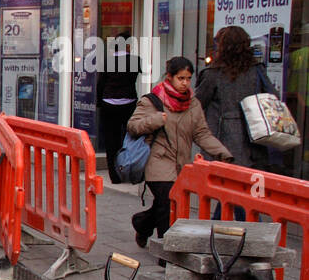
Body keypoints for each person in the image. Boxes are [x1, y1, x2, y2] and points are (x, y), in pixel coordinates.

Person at [127, 56, 232, 248]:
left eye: (188, 78)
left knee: (165, 204)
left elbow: (201, 133)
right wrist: (155, 121)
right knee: (167, 204)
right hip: (157, 160)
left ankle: (142, 223)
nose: (185, 83)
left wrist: (222, 152)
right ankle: (166, 252)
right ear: (170, 77)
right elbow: (133, 126)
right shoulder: (153, 100)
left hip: (179, 163)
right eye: (180, 78)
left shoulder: (193, 104)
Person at [196, 26, 271, 173]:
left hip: (220, 139)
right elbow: (272, 95)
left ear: (223, 47)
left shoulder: (213, 73)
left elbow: (197, 103)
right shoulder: (257, 70)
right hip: (254, 138)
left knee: (219, 186)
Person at [99, 30, 140, 184]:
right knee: (130, 139)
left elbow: (101, 84)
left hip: (109, 104)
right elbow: (133, 79)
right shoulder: (135, 61)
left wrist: (99, 103)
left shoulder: (107, 61)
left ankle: (114, 176)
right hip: (128, 103)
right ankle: (129, 170)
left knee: (111, 141)